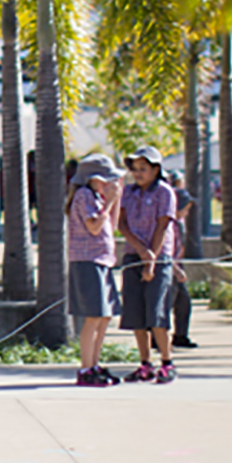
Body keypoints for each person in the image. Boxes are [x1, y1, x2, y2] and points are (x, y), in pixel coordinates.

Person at [117, 146, 178, 384]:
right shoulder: (128, 193)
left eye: (144, 168)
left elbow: (162, 226)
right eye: (135, 169)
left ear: (155, 170)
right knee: (136, 313)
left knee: (157, 313)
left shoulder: (165, 193)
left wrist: (151, 257)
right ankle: (144, 363)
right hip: (134, 255)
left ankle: (166, 361)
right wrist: (141, 251)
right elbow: (122, 225)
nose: (138, 173)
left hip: (159, 258)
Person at [68, 155, 126, 386]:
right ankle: (85, 368)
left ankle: (94, 363)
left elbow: (108, 226)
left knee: (104, 315)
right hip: (87, 260)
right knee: (93, 317)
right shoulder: (83, 196)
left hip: (102, 260)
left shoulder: (96, 198)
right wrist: (110, 202)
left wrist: (115, 201)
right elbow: (93, 226)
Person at [166, 170, 197, 350]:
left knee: (183, 302)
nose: (187, 213)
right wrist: (175, 269)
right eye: (185, 209)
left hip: (177, 267)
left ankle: (180, 335)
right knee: (166, 304)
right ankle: (155, 336)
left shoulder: (177, 225)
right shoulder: (168, 225)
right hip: (169, 268)